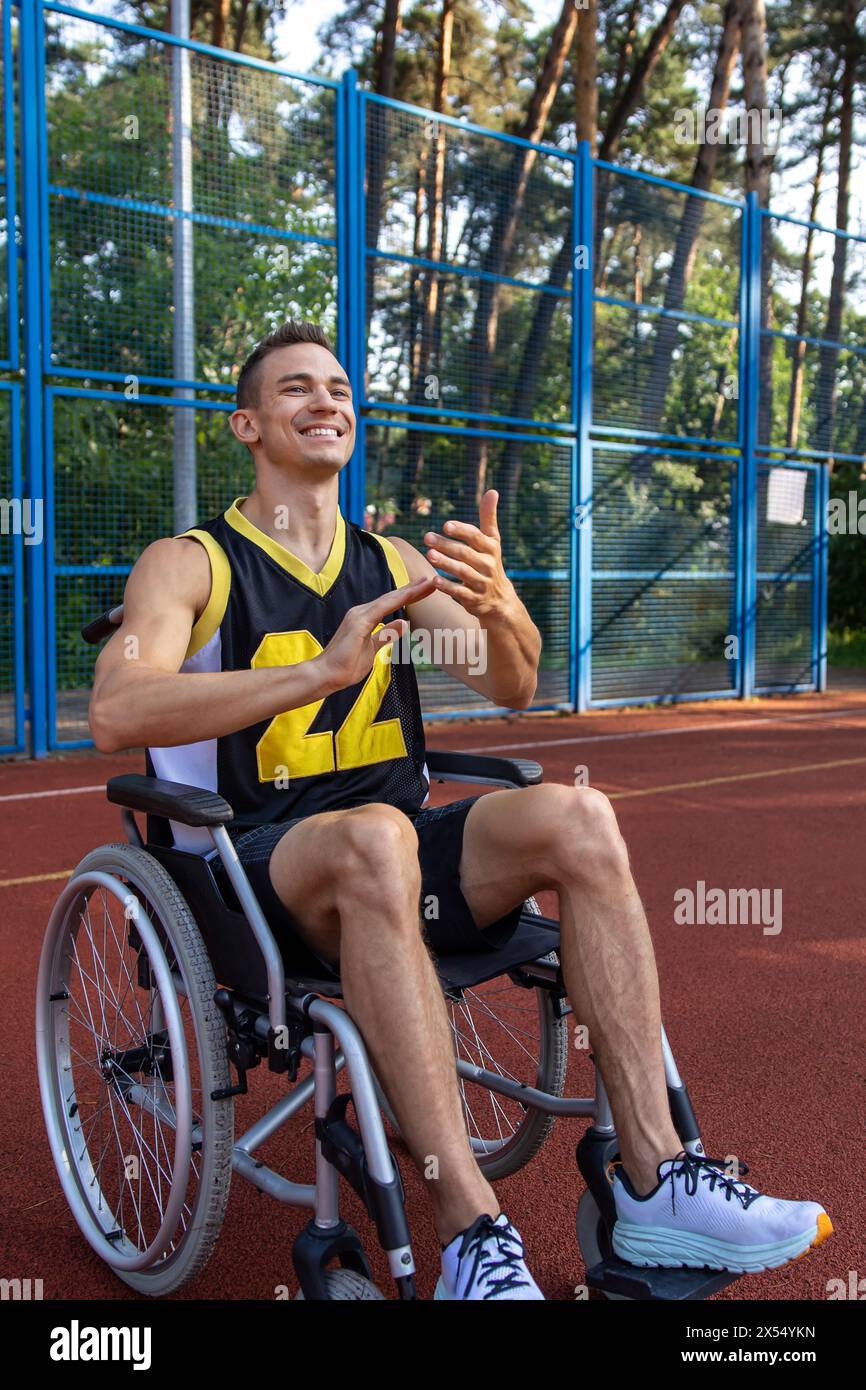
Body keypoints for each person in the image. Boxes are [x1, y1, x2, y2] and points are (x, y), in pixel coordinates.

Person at [89, 321, 833, 1301]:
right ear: (246, 425)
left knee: (580, 817)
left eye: (340, 388)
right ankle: (470, 1231)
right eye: (296, 389)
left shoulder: (393, 563)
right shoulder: (191, 563)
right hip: (267, 870)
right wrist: (317, 670)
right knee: (374, 838)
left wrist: (502, 604)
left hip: (398, 854)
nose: (326, 402)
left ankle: (655, 1182)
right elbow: (115, 708)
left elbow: (513, 684)